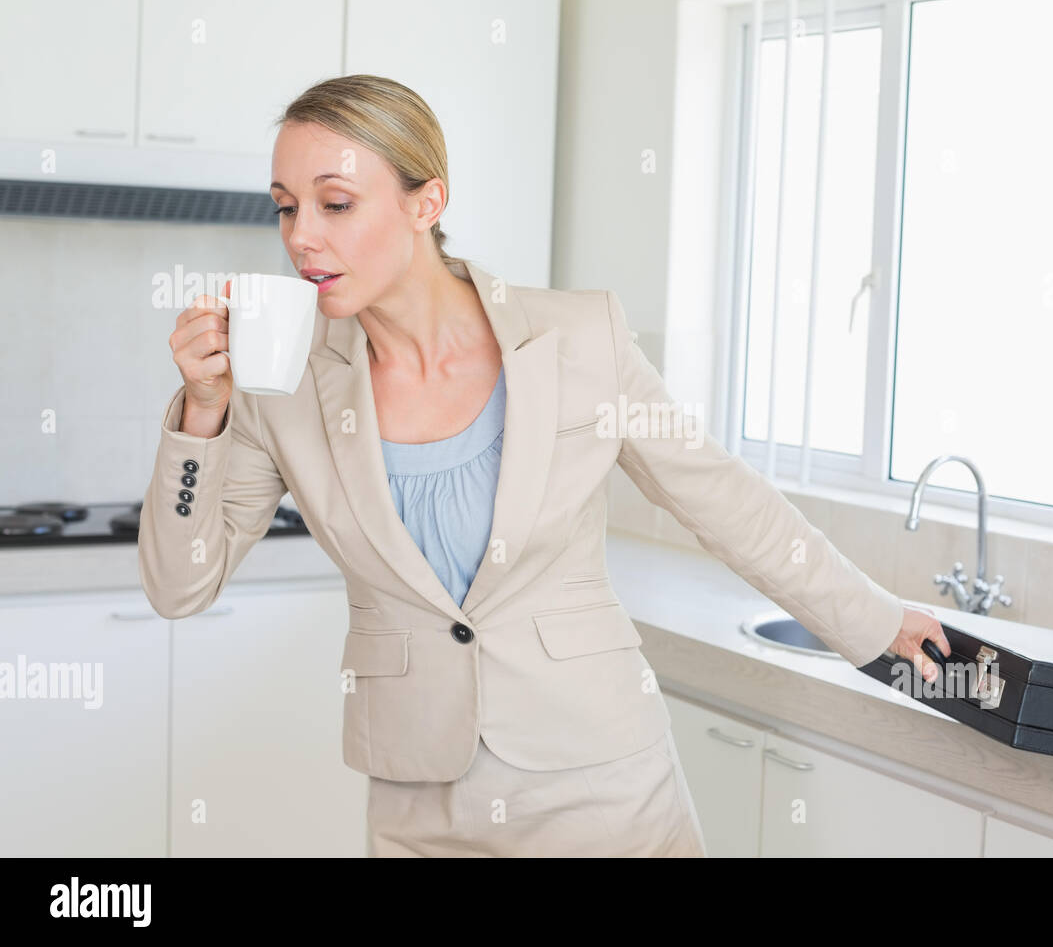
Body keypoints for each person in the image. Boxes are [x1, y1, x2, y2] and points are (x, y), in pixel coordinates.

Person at [140, 74, 950, 857]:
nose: (300, 237)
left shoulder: (577, 339)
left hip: (601, 788)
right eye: (285, 209)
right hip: (418, 795)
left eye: (335, 204)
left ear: (427, 203)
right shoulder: (277, 385)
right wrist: (202, 410)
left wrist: (875, 621)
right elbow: (180, 586)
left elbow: (722, 498)